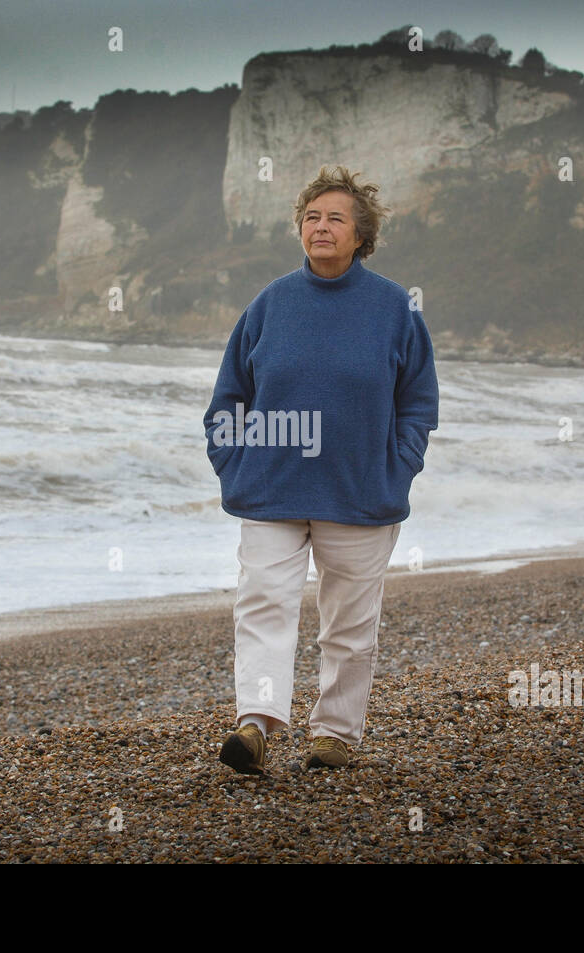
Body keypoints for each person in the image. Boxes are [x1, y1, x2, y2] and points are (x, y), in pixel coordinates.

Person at [203, 165, 439, 774]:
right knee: (262, 606)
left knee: (350, 623)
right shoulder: (270, 303)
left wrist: (399, 465)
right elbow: (228, 398)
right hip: (270, 492)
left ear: (362, 234)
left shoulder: (394, 308)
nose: (322, 226)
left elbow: (418, 401)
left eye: (336, 218)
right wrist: (235, 466)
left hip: (361, 494)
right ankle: (254, 725)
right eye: (312, 217)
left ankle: (334, 733)